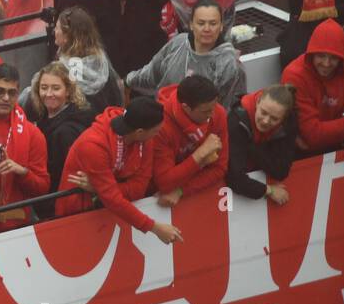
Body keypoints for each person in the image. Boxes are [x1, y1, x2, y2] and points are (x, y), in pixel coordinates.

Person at [55, 96, 183, 244]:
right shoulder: (93, 145)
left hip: (113, 213)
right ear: (140, 132)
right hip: (77, 215)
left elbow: (138, 189)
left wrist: (98, 189)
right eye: (155, 131)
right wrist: (155, 228)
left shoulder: (144, 138)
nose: (157, 134)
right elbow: (114, 200)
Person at [126, 0, 246, 107]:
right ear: (191, 25)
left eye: (213, 23)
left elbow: (226, 108)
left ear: (221, 26)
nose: (207, 29)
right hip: (165, 118)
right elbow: (151, 73)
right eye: (201, 23)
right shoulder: (178, 44)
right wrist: (127, 81)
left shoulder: (228, 64)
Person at [0, 64, 50, 234]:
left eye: (12, 93)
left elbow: (42, 187)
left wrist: (22, 172)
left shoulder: (33, 135)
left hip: (16, 229)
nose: (6, 98)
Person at [280, 19, 344, 152]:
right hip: (306, 155)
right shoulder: (294, 76)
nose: (326, 63)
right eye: (320, 56)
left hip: (343, 148)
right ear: (311, 54)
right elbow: (312, 136)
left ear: (342, 59)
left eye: (333, 58)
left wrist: (324, 131)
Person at [151, 75, 230, 208]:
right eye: (205, 111)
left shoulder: (218, 113)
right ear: (186, 108)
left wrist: (182, 190)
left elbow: (219, 168)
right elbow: (164, 182)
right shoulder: (160, 126)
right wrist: (199, 156)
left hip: (186, 194)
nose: (211, 115)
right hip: (154, 198)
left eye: (214, 107)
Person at [25, 61, 95, 198]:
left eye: (56, 88)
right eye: (44, 88)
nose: (49, 94)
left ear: (68, 91)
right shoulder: (43, 117)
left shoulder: (67, 132)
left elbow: (71, 178)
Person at [226, 84, 298, 205]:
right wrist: (268, 190)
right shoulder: (236, 122)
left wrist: (251, 148)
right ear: (258, 102)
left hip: (251, 175)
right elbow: (234, 177)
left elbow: (281, 170)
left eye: (274, 119)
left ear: (283, 118)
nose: (265, 121)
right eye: (263, 112)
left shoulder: (288, 123)